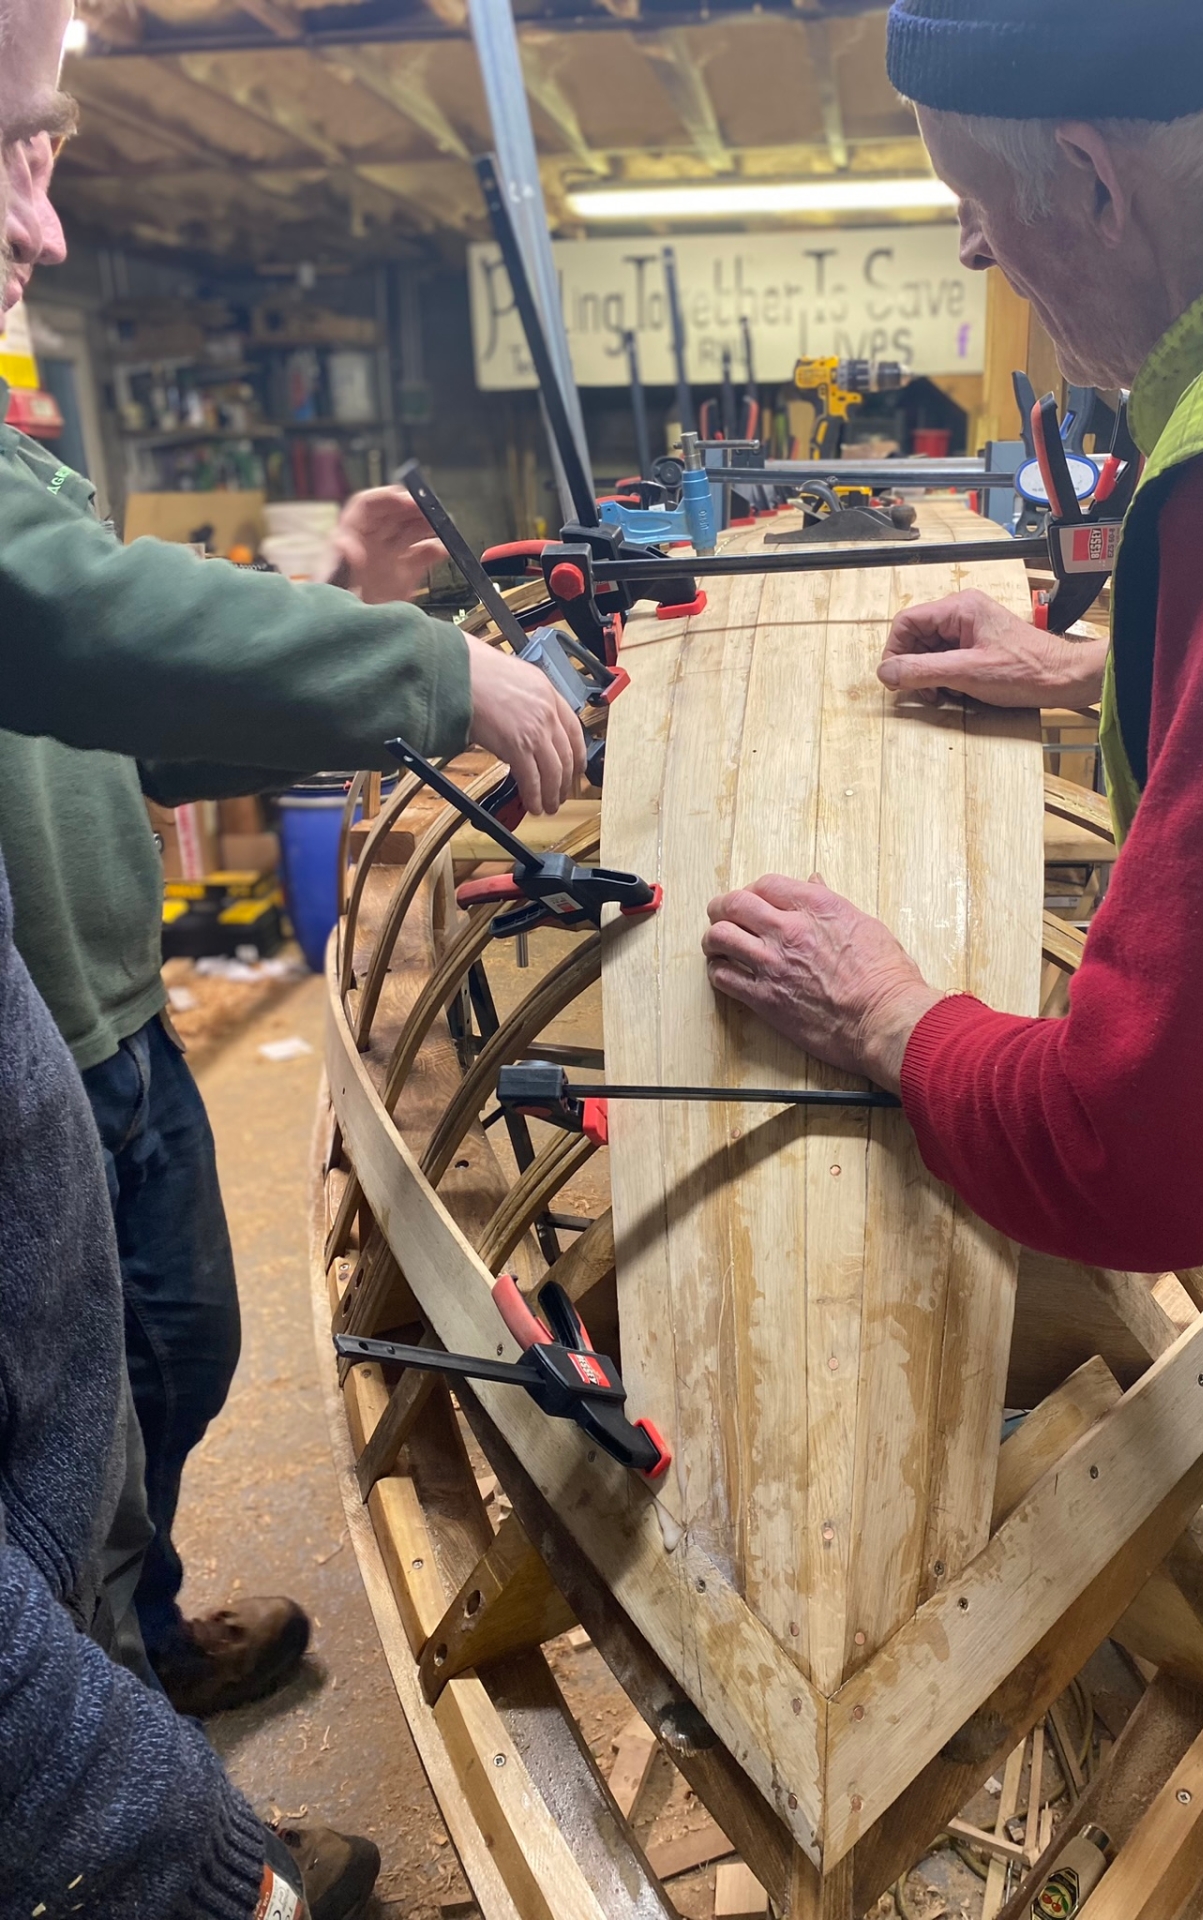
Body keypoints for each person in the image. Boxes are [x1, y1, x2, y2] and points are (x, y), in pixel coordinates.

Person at [702, 7, 1203, 1920]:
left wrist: (894, 1019)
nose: (971, 252)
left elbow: (1152, 1153)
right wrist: (1120, 668)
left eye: (972, 199)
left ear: (1091, 179)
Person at [0, 2, 580, 1909]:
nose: (48, 225)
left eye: (50, 147)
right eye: (16, 149)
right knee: (52, 1464)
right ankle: (108, 1786)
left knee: (164, 1365)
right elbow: (62, 610)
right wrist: (431, 675)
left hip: (100, 1008)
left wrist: (355, 632)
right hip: (48, 1053)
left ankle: (135, 1650)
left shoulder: (15, 405)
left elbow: (128, 699)